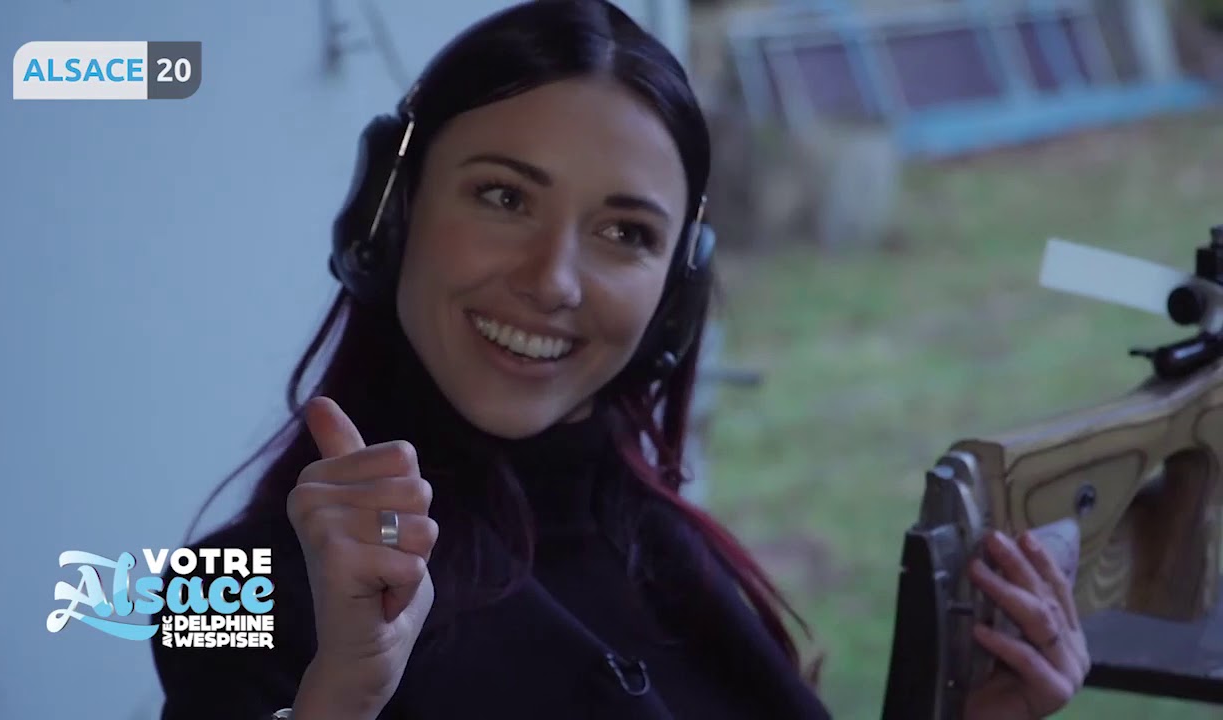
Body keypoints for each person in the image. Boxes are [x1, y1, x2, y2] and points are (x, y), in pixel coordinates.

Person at [151, 1, 1092, 717]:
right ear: (390, 217)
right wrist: (337, 699)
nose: (554, 279)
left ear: (675, 291)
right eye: (503, 199)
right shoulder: (222, 590)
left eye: (625, 232)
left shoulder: (666, 544)